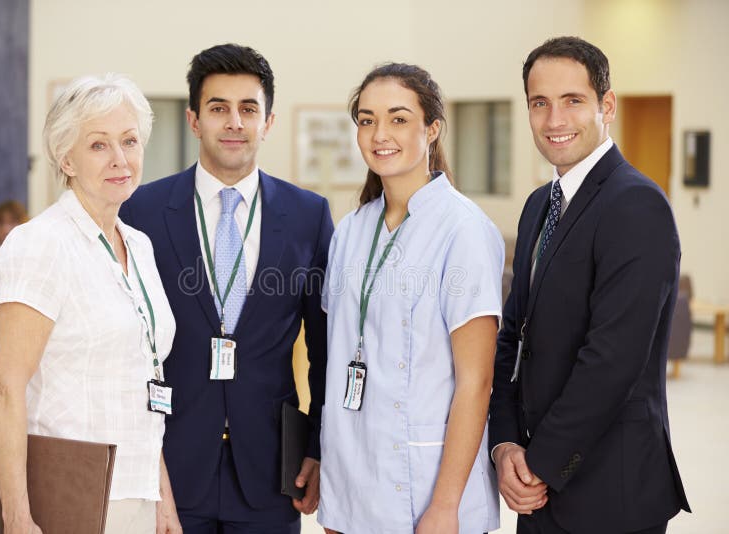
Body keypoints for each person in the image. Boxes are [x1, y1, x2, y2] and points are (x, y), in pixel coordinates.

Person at [120, 44, 332, 534]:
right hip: (169, 468)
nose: (234, 122)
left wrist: (318, 447)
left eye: (248, 109)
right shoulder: (142, 212)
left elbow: (325, 347)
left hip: (272, 468)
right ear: (195, 120)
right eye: (219, 108)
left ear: (268, 122)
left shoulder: (309, 215)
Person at [488, 36, 690, 534]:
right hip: (538, 488)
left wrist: (541, 463)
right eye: (540, 103)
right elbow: (513, 336)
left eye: (573, 101)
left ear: (607, 106)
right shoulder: (540, 205)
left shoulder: (637, 205)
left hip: (609, 492)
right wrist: (507, 444)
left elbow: (613, 359)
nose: (554, 120)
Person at [0, 73, 182, 534]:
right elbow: (4, 387)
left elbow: (142, 383)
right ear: (65, 158)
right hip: (68, 491)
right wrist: (17, 516)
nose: (120, 159)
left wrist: (162, 498)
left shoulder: (139, 245)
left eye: (129, 141)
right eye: (98, 145)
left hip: (136, 491)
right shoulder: (41, 243)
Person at [318, 63, 503, 534]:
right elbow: (339, 360)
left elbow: (476, 384)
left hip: (424, 493)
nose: (380, 133)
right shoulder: (352, 230)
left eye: (398, 118)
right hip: (351, 494)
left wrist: (444, 507)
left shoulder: (463, 230)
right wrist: (336, 499)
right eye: (366, 120)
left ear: (432, 128)